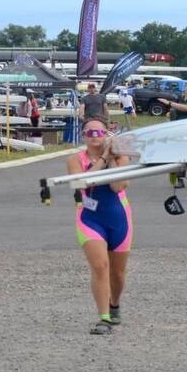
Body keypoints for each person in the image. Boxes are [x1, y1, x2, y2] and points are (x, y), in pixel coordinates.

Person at [65, 117, 134, 335]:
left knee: (118, 274)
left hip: (119, 217)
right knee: (100, 266)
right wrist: (104, 158)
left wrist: (111, 158)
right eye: (90, 133)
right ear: (83, 136)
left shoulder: (122, 157)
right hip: (90, 218)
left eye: (100, 132)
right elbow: (82, 183)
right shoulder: (75, 159)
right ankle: (104, 317)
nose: (95, 136)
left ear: (107, 134)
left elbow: (117, 186)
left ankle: (114, 304)